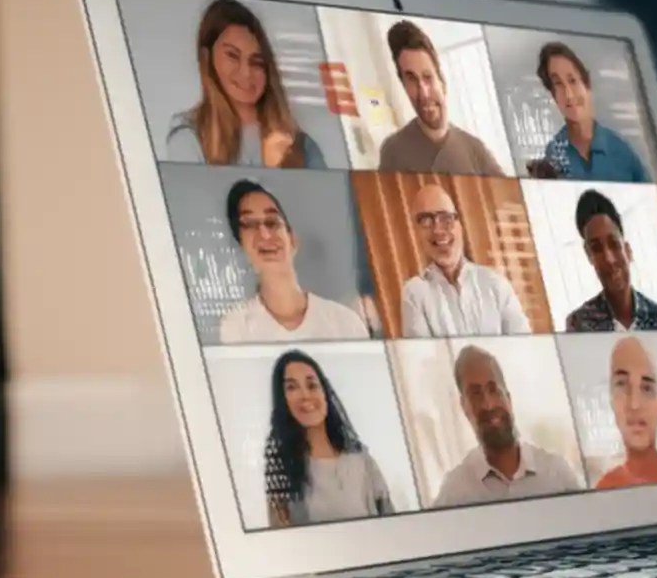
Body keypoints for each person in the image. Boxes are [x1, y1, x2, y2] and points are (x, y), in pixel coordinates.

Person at [167, 0, 326, 168]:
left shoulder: (302, 145)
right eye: (232, 56)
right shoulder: (188, 135)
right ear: (206, 58)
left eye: (256, 61)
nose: (246, 73)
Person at [218, 179, 370, 343]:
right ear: (241, 247)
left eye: (272, 222)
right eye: (249, 225)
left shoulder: (345, 323)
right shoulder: (236, 328)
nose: (265, 235)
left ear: (293, 240)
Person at [433, 345, 583, 507]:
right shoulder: (454, 492)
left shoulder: (557, 474)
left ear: (509, 399)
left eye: (494, 390)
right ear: (464, 407)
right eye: (475, 394)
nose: (488, 405)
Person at [263, 350, 395, 526]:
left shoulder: (361, 459)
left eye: (312, 385)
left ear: (325, 392)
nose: (305, 395)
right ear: (282, 400)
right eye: (292, 387)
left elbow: (392, 523)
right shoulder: (281, 472)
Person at [400, 184, 531, 337]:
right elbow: (421, 358)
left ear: (459, 224)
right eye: (426, 220)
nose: (437, 230)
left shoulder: (495, 283)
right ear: (417, 233)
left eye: (445, 218)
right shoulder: (414, 293)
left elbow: (524, 347)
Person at [377, 20, 504, 175]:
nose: (423, 92)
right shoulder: (393, 152)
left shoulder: (476, 151)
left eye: (427, 77)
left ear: (442, 81)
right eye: (412, 79)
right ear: (404, 86)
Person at [565, 189, 657, 332]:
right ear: (589, 257)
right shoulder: (580, 324)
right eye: (596, 249)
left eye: (614, 244)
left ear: (628, 251)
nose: (609, 259)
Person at [530, 41, 650, 182]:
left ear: (587, 84)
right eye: (558, 84)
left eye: (572, 80)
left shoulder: (621, 151)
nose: (569, 94)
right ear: (553, 94)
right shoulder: (553, 154)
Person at [594, 336, 657, 489]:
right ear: (611, 403)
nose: (634, 405)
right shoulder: (605, 488)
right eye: (622, 385)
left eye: (647, 388)